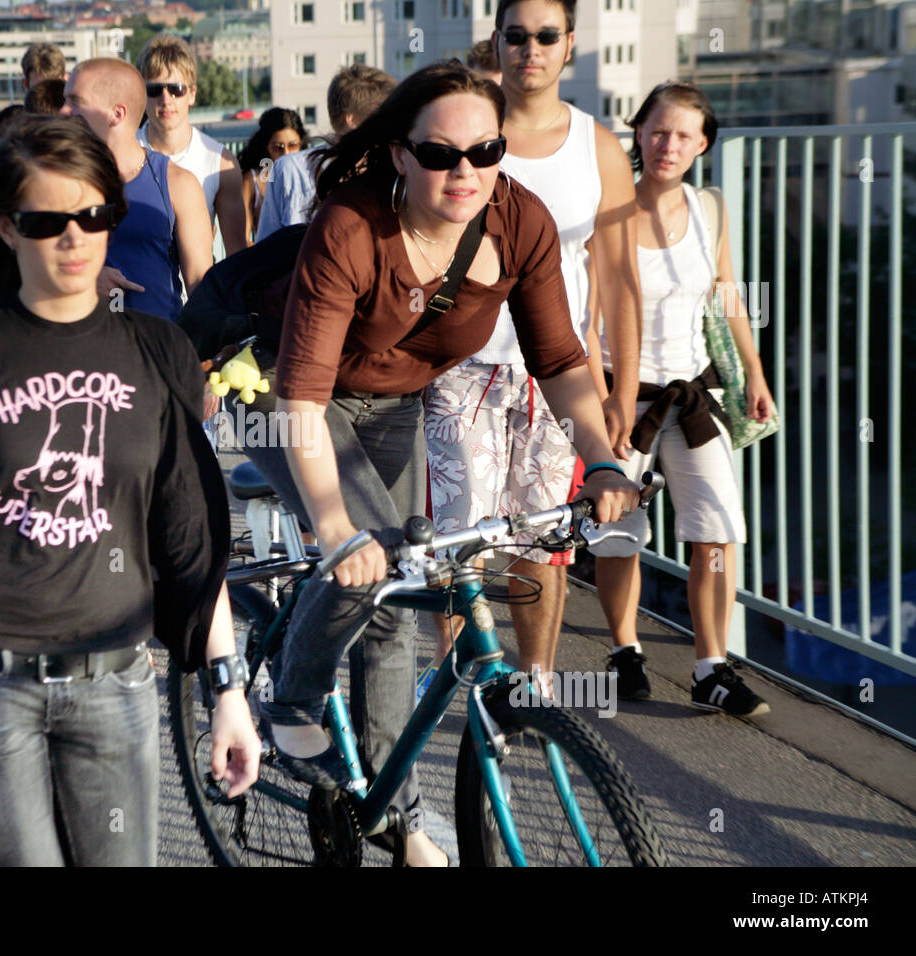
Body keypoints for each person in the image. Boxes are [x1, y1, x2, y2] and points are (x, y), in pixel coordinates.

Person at [236, 61, 641, 866]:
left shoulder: (518, 221)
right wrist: (335, 531)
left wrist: (601, 461)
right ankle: (293, 699)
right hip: (284, 402)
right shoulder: (352, 227)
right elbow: (303, 399)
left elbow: (559, 358)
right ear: (398, 154)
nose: (465, 172)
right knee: (367, 548)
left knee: (397, 605)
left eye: (484, 151)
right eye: (439, 154)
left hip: (390, 406)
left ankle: (394, 812)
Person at [0, 115, 258, 866]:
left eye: (93, 215)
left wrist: (227, 690)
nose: (73, 237)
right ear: (4, 227)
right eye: (45, 220)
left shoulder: (157, 351)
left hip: (115, 684)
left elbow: (188, 533)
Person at [423, 0, 642, 698]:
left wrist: (623, 390)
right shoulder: (467, 132)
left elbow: (619, 277)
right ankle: (452, 689)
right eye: (515, 36)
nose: (530, 49)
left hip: (557, 373)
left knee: (543, 543)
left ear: (570, 43)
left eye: (546, 35)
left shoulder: (598, 147)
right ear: (498, 41)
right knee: (456, 544)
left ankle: (535, 689)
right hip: (462, 367)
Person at [590, 82, 775, 716]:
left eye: (684, 135)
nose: (669, 145)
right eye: (658, 131)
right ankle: (624, 652)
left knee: (717, 529)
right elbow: (590, 317)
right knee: (618, 532)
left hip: (693, 395)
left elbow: (727, 295)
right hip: (625, 398)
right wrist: (603, 399)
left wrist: (753, 371)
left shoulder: (709, 209)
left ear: (702, 145)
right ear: (638, 134)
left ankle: (711, 667)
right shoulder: (606, 210)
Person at [65, 58, 212, 321]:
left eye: (76, 101)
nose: (64, 111)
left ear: (117, 113)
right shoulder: (53, 183)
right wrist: (84, 280)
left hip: (156, 351)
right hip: (77, 353)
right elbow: (23, 265)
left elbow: (201, 288)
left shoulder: (178, 184)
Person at [255, 64, 395, 241]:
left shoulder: (289, 168)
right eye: (379, 116)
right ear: (351, 120)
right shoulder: (291, 169)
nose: (388, 125)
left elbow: (266, 248)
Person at [135, 35, 247, 256]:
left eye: (176, 89)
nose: (166, 100)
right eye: (154, 90)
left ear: (192, 94)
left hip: (197, 289)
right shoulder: (118, 155)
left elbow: (237, 253)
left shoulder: (220, 163)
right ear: (142, 94)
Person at [237, 107, 305, 243]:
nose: (286, 154)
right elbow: (242, 239)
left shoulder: (311, 173)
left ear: (302, 144)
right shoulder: (253, 180)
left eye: (292, 146)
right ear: (266, 147)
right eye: (278, 147)